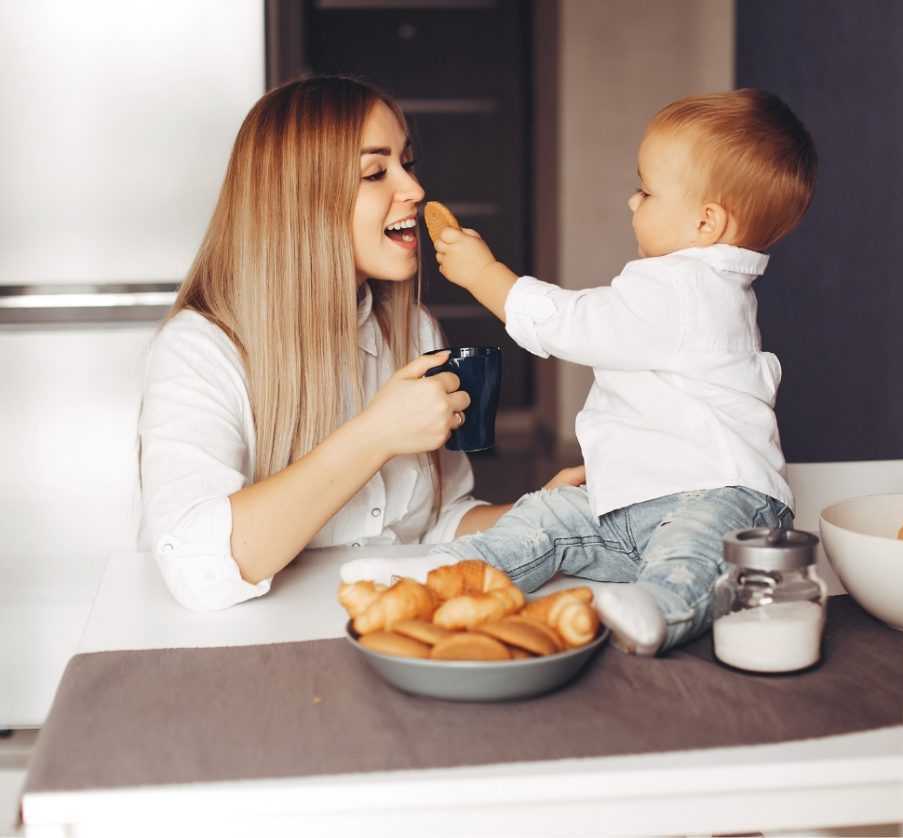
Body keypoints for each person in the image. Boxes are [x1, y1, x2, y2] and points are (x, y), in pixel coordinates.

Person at [341, 88, 818, 655]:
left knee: (692, 553)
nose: (631, 202)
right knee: (546, 517)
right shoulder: (694, 286)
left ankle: (659, 607)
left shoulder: (686, 286)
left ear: (705, 222)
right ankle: (440, 574)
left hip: (716, 496)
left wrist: (486, 274)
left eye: (646, 190)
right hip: (638, 503)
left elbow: (573, 324)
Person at [138, 75, 583, 612]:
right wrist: (377, 434)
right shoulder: (201, 351)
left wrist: (542, 513)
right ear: (299, 200)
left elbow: (439, 524)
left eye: (407, 163)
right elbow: (196, 567)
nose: (415, 190)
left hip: (386, 633)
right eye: (375, 172)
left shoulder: (414, 331)